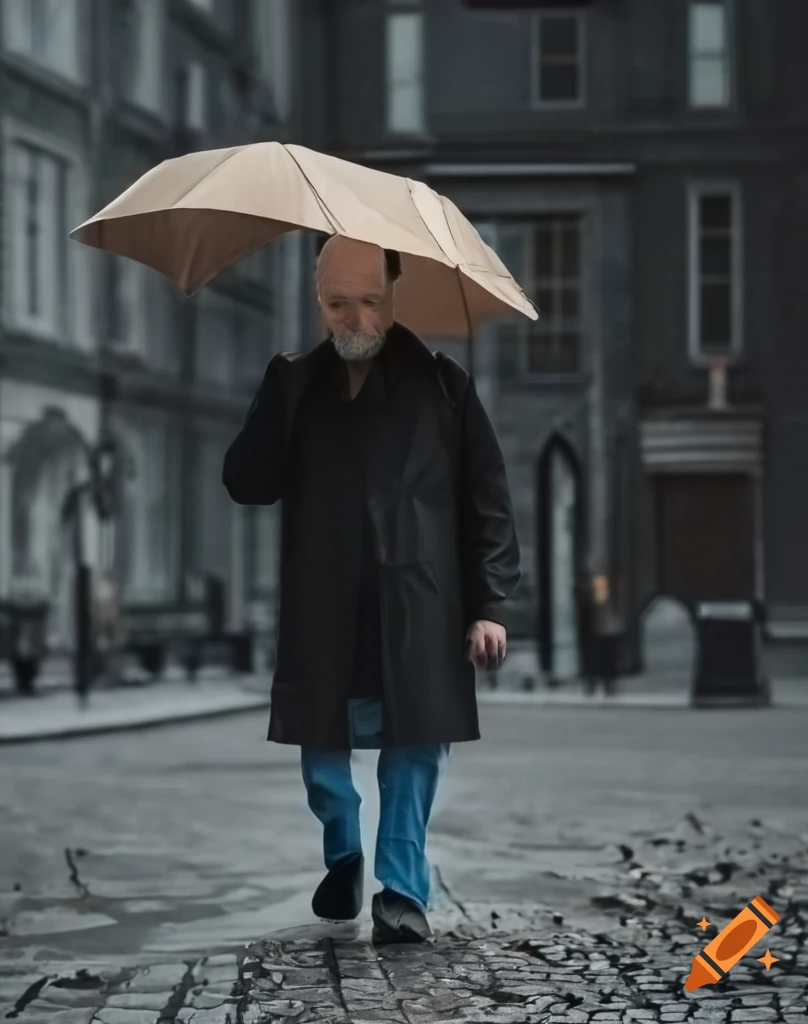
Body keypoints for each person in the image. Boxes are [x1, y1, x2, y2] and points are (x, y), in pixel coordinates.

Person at [222, 235, 520, 944]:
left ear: (392, 298)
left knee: (416, 746)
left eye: (367, 302)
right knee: (321, 743)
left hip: (421, 601)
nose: (352, 319)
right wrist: (275, 399)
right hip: (324, 602)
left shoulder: (444, 384)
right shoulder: (294, 381)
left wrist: (489, 606)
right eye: (336, 304)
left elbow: (489, 501)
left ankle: (402, 891)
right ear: (317, 303)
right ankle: (344, 852)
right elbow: (247, 483)